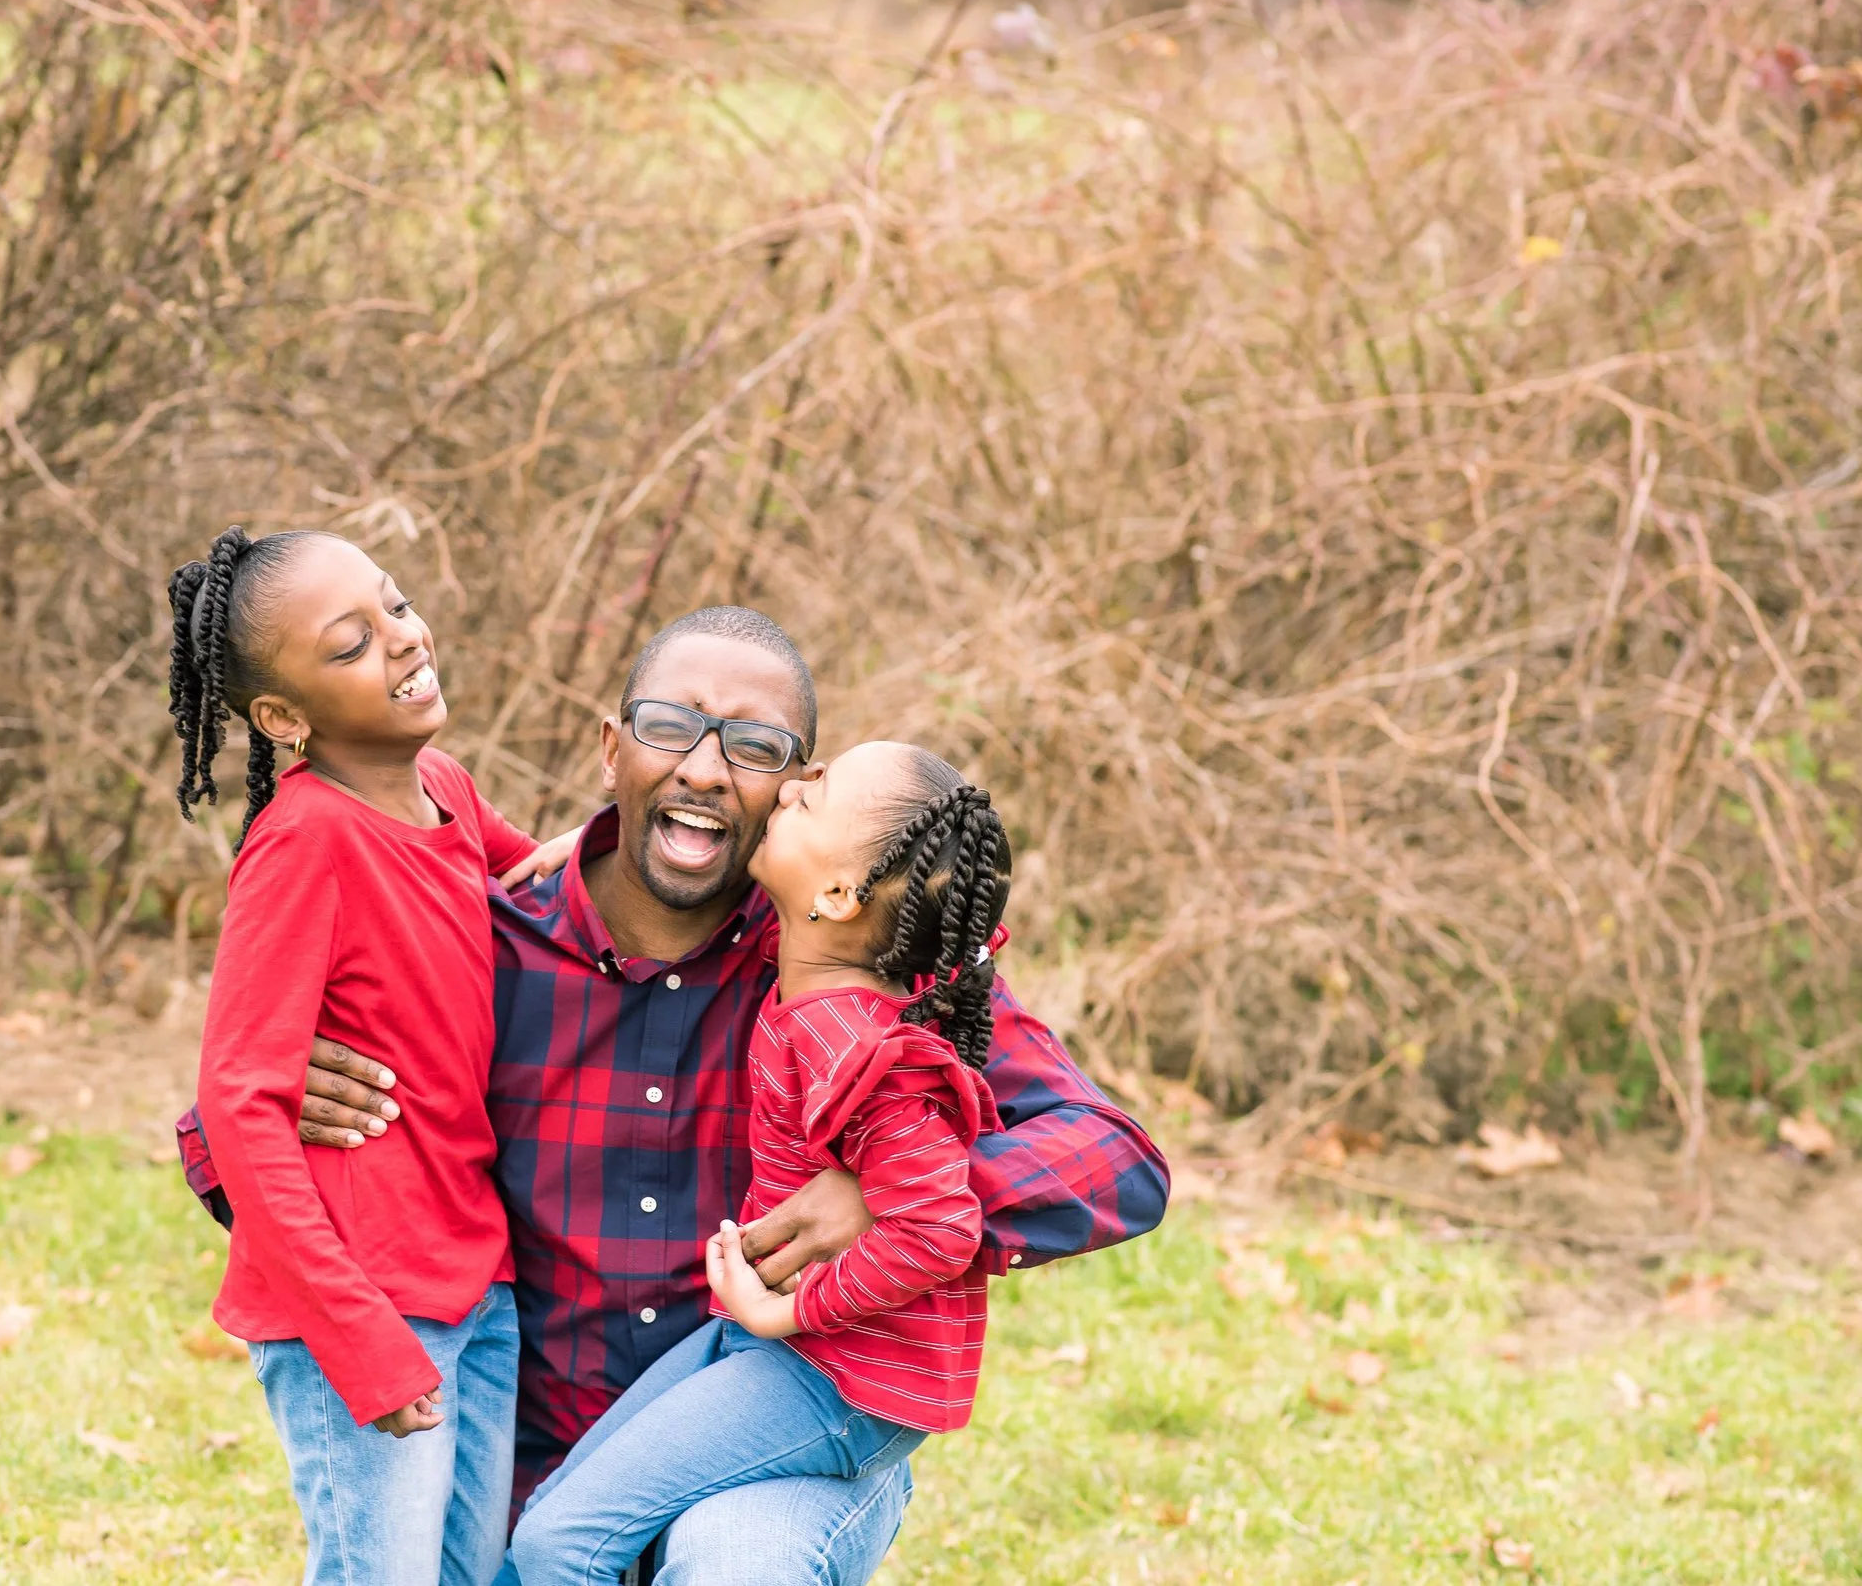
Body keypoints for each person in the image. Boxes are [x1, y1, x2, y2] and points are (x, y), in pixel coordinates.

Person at [186, 605, 1170, 1586]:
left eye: (753, 746)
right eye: (668, 728)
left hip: (777, 1443)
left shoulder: (864, 975)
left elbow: (1118, 1159)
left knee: (732, 1567)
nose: (703, 768)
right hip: (532, 1473)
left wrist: (892, 1197)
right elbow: (227, 1131)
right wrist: (293, 1098)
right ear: (611, 751)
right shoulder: (490, 940)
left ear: (797, 793)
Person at [500, 743, 1014, 1585]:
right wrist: (596, 852)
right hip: (778, 1350)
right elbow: (962, 927)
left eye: (814, 796)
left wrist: (794, 1310)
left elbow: (940, 1226)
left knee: (561, 1544)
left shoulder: (859, 1049)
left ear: (842, 896)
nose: (793, 785)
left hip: (835, 1379)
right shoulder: (819, 961)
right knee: (559, 1519)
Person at [168, 525, 536, 1586]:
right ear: (282, 717)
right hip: (362, 1297)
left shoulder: (451, 794)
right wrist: (357, 1336)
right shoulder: (303, 843)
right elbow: (240, 1104)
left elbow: (557, 894)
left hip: (477, 1275)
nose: (404, 641)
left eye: (397, 607)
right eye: (351, 645)